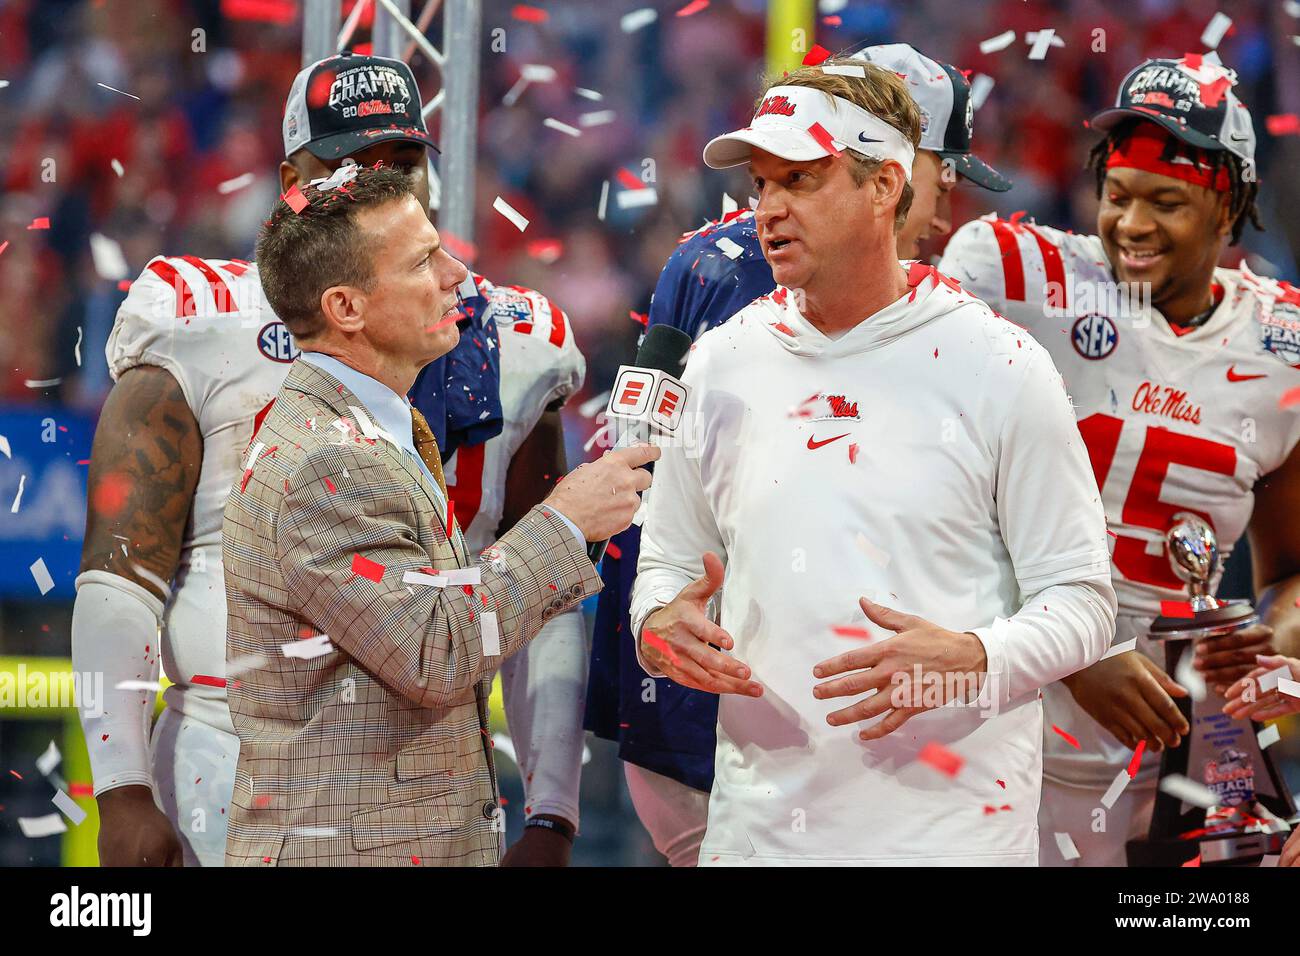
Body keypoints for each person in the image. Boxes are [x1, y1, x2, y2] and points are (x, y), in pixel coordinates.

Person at [73, 53, 587, 867]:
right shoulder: (201, 320)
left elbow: (544, 595)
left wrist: (553, 811)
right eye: (350, 164)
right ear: (292, 179)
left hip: (437, 779)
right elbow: (120, 574)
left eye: (403, 162)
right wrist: (123, 789)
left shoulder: (517, 341)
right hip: (238, 760)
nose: (381, 185)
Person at [628, 58, 1115, 865]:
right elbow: (668, 559)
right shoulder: (720, 363)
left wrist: (978, 657)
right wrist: (658, 624)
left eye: (801, 180)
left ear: (885, 185)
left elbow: (1084, 602)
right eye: (761, 184)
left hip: (951, 845)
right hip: (756, 844)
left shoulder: (1002, 366)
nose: (769, 211)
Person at [221, 164, 654, 867]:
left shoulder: (373, 430)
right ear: (346, 308)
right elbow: (434, 650)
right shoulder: (324, 462)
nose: (459, 272)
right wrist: (565, 522)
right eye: (425, 259)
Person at [938, 56, 1300, 866]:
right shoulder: (1012, 274)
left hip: (1177, 755)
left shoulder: (1286, 344)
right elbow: (927, 496)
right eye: (1118, 195)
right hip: (997, 725)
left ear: (1230, 206)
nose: (1132, 224)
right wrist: (1078, 651)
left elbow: (1293, 569)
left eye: (1166, 202)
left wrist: (1265, 644)